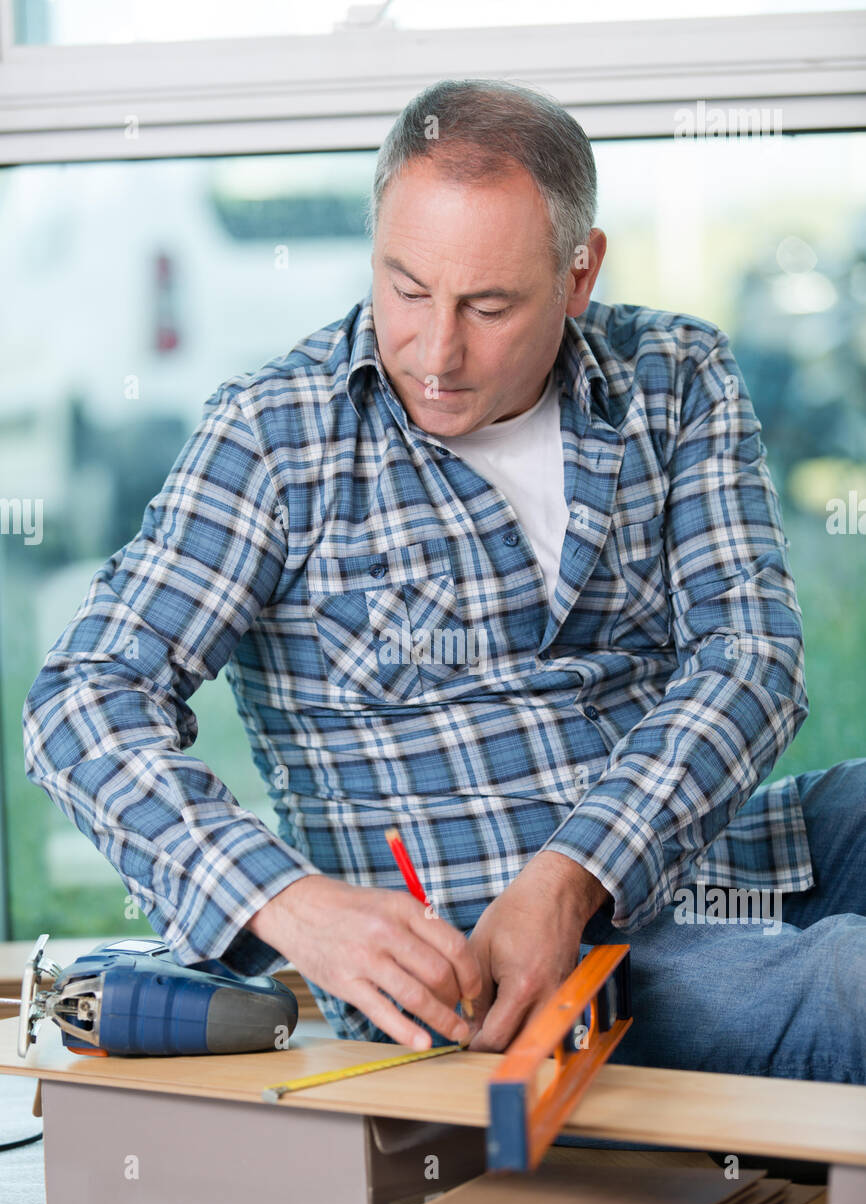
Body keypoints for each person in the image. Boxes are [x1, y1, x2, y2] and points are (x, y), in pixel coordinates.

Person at [22, 79, 865, 1083]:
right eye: (406, 288)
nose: (433, 351)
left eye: (489, 305)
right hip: (480, 984)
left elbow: (751, 658)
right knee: (846, 986)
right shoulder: (274, 437)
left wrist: (569, 874)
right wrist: (291, 905)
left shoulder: (673, 378)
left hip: (702, 862)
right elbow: (80, 702)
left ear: (577, 272)